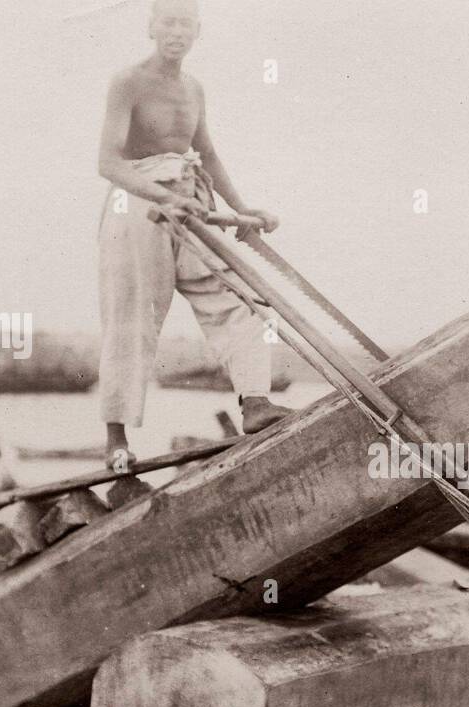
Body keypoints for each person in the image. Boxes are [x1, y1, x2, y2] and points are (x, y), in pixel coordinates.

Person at [96, 0, 292, 469]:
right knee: (132, 320)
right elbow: (108, 163)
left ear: (197, 31)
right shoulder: (127, 81)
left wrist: (241, 210)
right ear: (151, 26)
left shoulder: (194, 88)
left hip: (192, 202)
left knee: (240, 298)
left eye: (186, 24)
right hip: (139, 207)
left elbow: (207, 152)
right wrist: (161, 197)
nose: (176, 32)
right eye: (168, 22)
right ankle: (116, 440)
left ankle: (256, 403)